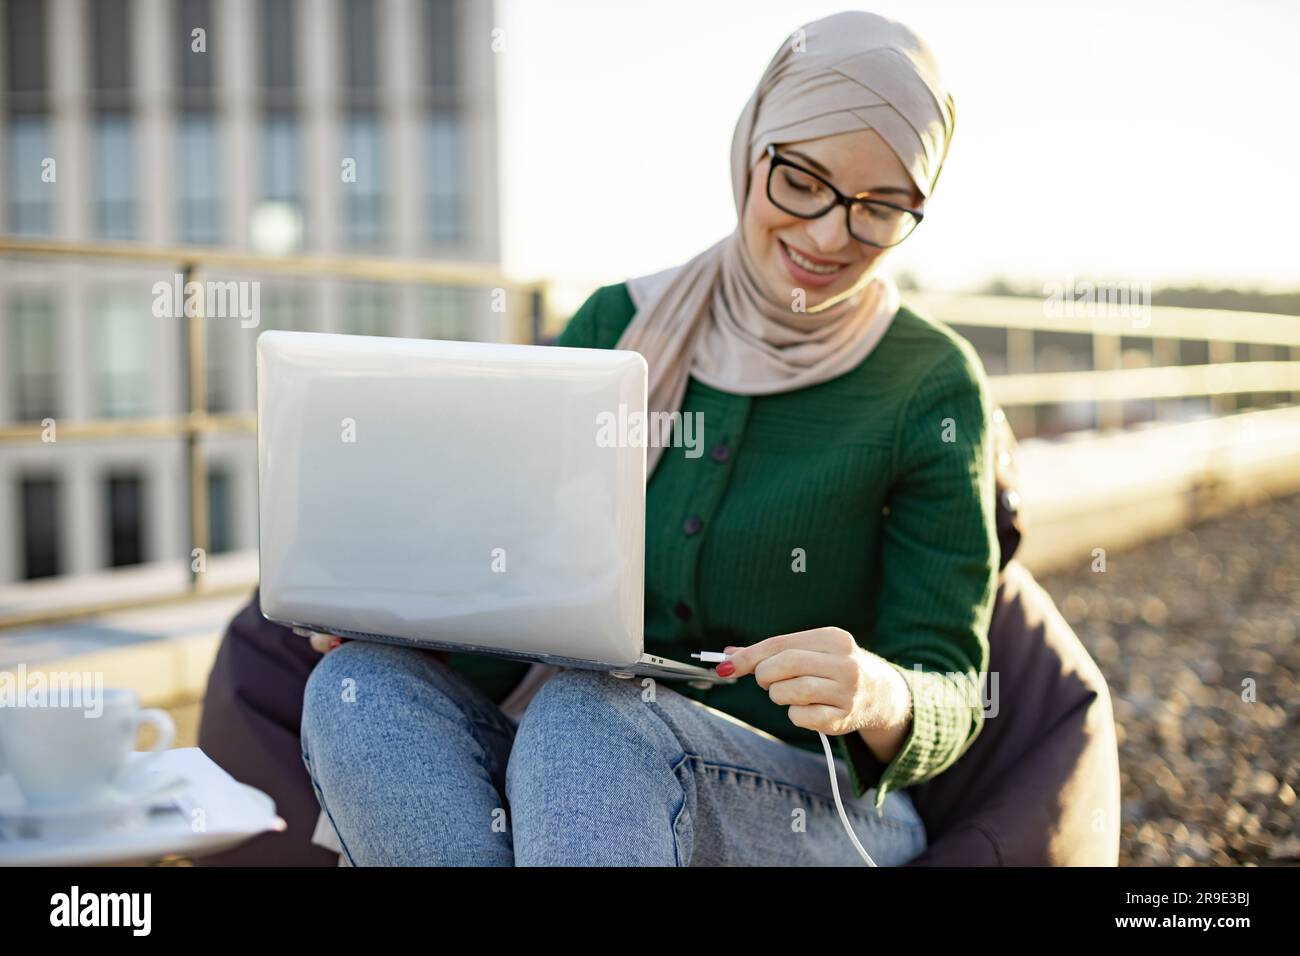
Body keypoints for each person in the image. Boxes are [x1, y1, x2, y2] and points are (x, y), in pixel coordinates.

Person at [299, 10, 995, 866]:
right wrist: (405, 622)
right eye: (802, 182)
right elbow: (517, 583)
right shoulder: (616, 323)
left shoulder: (930, 383)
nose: (827, 236)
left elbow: (957, 686)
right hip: (576, 765)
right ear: (751, 153)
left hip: (806, 799)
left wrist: (880, 693)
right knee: (357, 691)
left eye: (880, 209)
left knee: (589, 713)